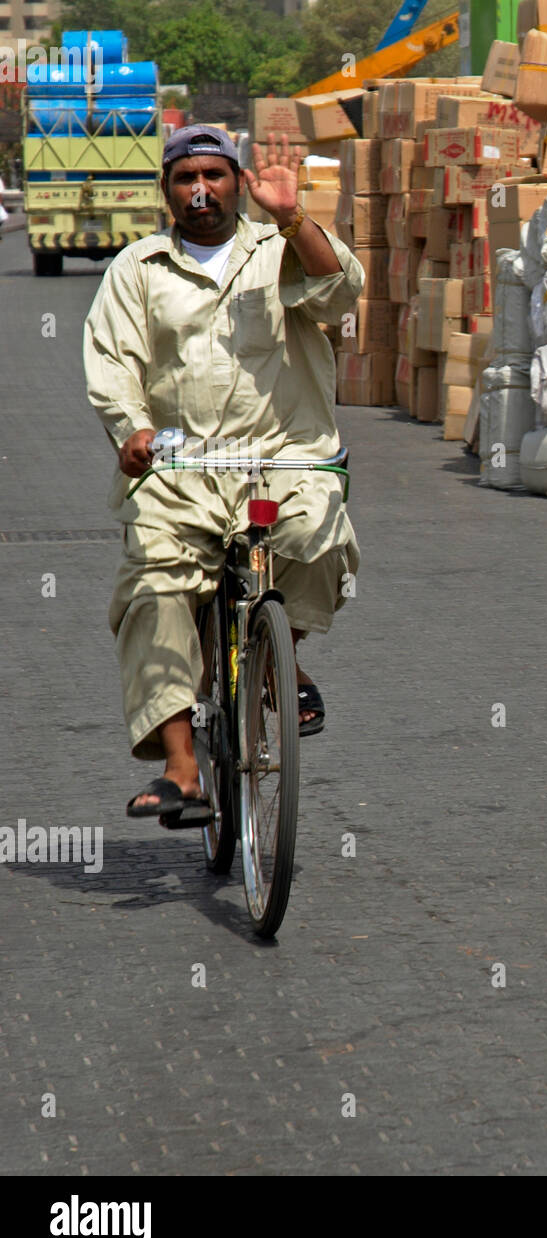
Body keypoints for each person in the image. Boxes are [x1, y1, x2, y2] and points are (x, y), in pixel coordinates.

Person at [84, 125, 364, 825]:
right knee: (154, 578)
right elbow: (114, 363)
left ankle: (280, 653)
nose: (201, 189)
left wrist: (293, 216)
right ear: (167, 190)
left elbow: (340, 294)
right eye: (186, 178)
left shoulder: (281, 250)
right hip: (180, 465)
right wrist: (132, 431)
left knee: (319, 533)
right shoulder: (138, 269)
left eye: (215, 174)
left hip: (282, 455)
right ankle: (182, 766)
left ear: (238, 182)